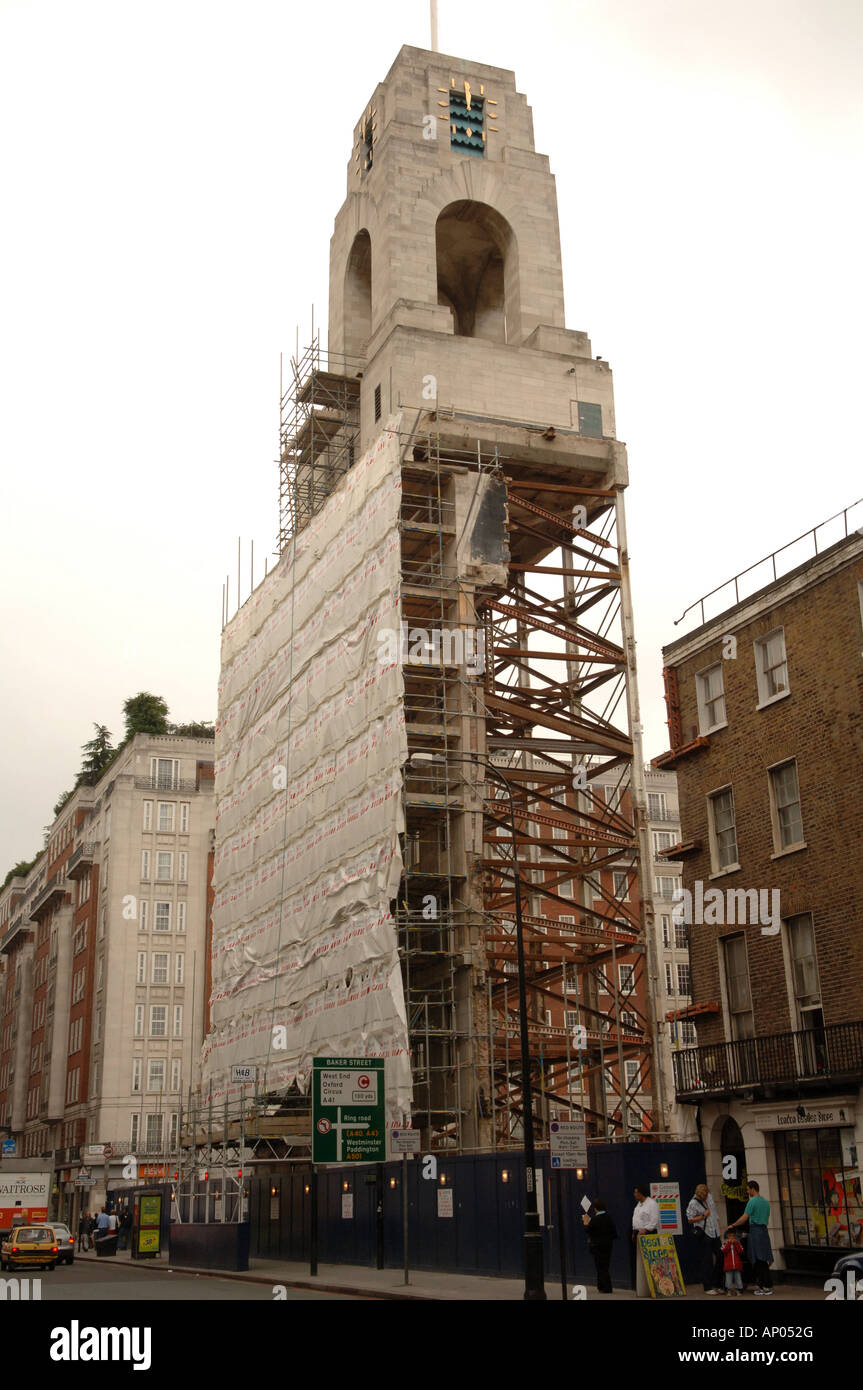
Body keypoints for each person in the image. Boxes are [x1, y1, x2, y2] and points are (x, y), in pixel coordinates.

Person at [727, 1180, 774, 1294]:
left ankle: (764, 1286)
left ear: (753, 1188)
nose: (747, 1192)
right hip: (764, 1231)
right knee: (763, 1257)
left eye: (748, 1189)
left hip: (755, 1231)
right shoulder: (766, 1202)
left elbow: (744, 1217)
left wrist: (733, 1225)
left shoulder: (752, 1202)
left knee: (758, 1259)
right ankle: (766, 1285)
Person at [686, 1183, 723, 1294]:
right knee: (707, 1260)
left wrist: (719, 1228)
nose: (706, 1197)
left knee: (721, 1256)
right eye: (704, 1196)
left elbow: (715, 1214)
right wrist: (703, 1216)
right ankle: (708, 1286)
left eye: (707, 1195)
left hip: (715, 1231)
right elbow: (690, 1219)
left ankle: (717, 1283)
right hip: (705, 1233)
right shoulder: (693, 1203)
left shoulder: (710, 1197)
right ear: (699, 1195)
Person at [582, 1197, 618, 1293]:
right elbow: (614, 1233)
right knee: (605, 1265)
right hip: (608, 1245)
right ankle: (603, 1286)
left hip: (597, 1246)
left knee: (600, 1266)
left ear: (595, 1208)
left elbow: (588, 1230)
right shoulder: (609, 1218)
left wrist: (586, 1222)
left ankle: (605, 1287)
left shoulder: (595, 1219)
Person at [632, 1184, 662, 1296]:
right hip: (638, 1233)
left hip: (648, 1233)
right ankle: (643, 1287)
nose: (634, 1194)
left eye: (636, 1192)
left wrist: (646, 1229)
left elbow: (654, 1220)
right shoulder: (638, 1205)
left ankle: (655, 1287)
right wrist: (634, 1231)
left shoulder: (652, 1204)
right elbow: (636, 1219)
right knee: (640, 1262)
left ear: (641, 1193)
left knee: (651, 1261)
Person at [720, 1229, 745, 1296]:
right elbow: (724, 1251)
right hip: (728, 1265)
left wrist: (736, 1243)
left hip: (737, 1264)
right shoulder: (724, 1243)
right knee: (728, 1278)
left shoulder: (738, 1243)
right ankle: (729, 1289)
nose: (731, 1237)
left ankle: (739, 1289)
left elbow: (741, 1251)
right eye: (730, 1236)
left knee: (738, 1277)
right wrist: (728, 1243)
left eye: (733, 1236)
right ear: (727, 1236)